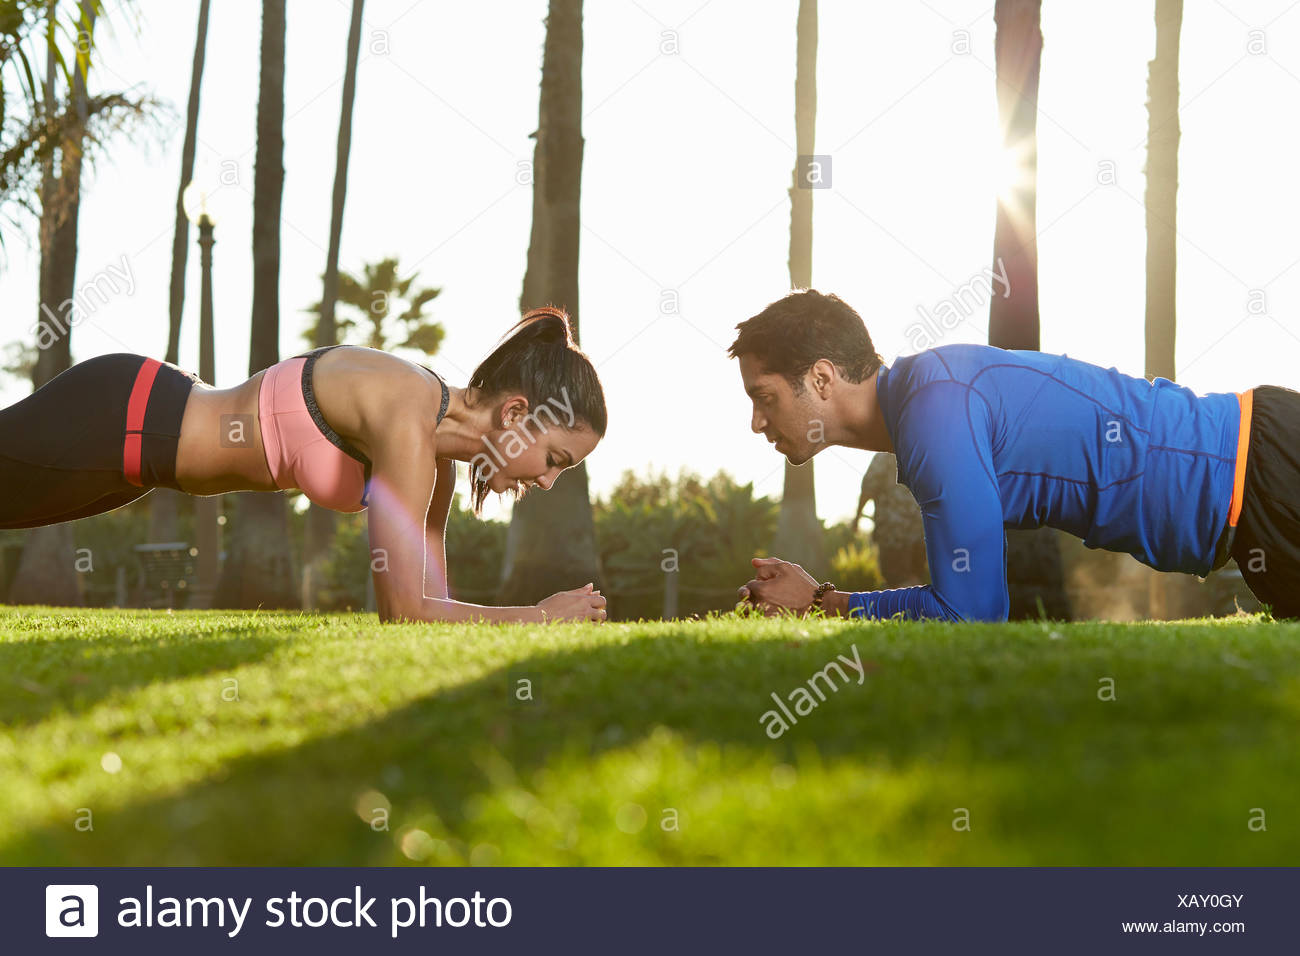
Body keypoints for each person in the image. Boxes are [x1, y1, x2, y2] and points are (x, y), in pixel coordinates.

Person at [0, 306, 608, 624]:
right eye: (555, 459)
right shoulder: (408, 418)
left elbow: (430, 612)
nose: (548, 481)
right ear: (516, 413)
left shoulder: (435, 469)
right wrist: (538, 617)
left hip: (135, 461)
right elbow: (406, 613)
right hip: (124, 413)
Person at [733, 289, 1300, 622]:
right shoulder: (926, 402)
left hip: (1267, 470)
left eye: (765, 397)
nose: (757, 421)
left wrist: (821, 602)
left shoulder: (934, 409)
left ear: (823, 379)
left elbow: (971, 612)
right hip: (1252, 507)